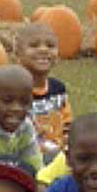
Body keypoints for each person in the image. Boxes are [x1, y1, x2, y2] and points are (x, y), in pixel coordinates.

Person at [16, 22, 72, 163]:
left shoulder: (58, 89)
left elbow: (68, 124)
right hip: (28, 157)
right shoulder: (14, 91)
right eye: (34, 45)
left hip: (58, 154)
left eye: (50, 45)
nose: (43, 50)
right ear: (17, 54)